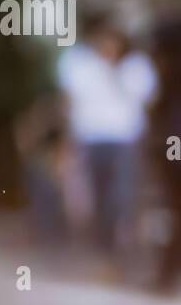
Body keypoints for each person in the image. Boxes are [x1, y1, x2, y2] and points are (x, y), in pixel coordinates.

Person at [56, 17, 158, 277]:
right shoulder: (81, 65)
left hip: (124, 139)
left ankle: (123, 253)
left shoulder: (135, 67)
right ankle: (104, 256)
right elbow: (70, 103)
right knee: (98, 200)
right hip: (91, 139)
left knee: (122, 198)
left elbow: (145, 97)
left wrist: (114, 69)